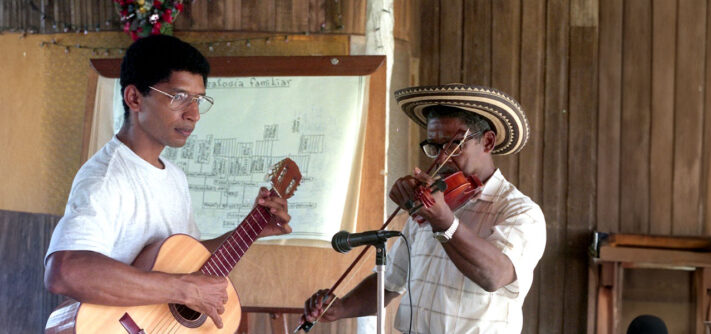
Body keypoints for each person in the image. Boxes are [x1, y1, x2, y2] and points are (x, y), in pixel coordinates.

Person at [43, 35, 292, 329]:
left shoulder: (174, 177)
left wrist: (251, 230)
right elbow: (64, 272)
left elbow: (185, 261)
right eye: (179, 97)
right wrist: (183, 289)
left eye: (199, 100)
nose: (193, 114)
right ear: (135, 98)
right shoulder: (108, 177)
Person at [302, 84, 546, 333]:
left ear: (488, 142)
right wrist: (342, 307)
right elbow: (389, 283)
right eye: (434, 147)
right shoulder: (432, 203)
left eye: (454, 146)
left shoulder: (520, 211)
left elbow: (495, 275)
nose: (441, 158)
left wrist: (444, 222)